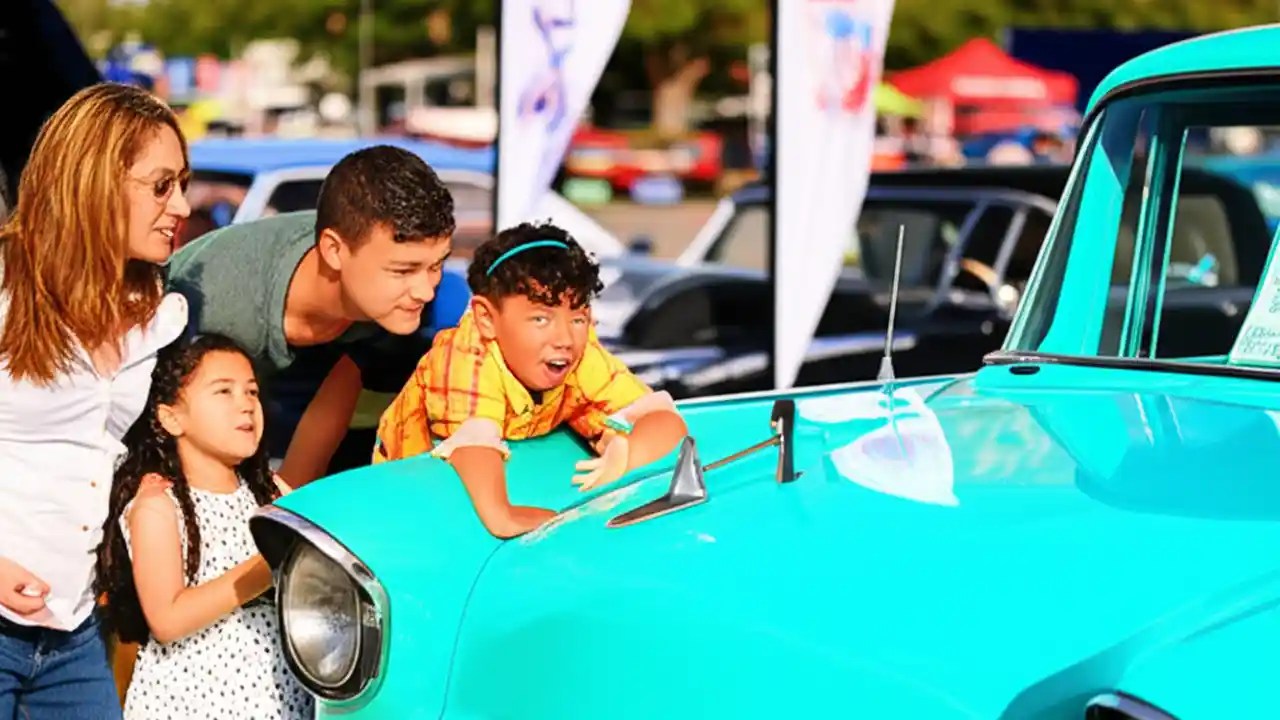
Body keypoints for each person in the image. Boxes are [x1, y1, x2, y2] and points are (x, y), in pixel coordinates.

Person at [0, 82, 191, 718]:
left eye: (181, 184)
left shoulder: (155, 313)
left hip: (76, 628)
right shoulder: (6, 286)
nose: (182, 205)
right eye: (161, 185)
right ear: (95, 180)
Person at [165, 144, 456, 487]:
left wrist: (287, 512)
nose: (425, 290)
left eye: (436, 265)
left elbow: (347, 378)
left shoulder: (387, 291)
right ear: (334, 250)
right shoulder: (215, 305)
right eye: (403, 271)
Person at [373, 222, 688, 538]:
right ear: (486, 319)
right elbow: (474, 442)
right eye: (541, 318)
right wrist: (502, 515)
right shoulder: (467, 354)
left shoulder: (581, 354)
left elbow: (664, 419)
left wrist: (628, 453)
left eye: (578, 318)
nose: (564, 337)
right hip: (402, 495)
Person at [95, 334, 312, 719]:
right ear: (171, 418)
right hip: (190, 705)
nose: (245, 404)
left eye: (251, 391)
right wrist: (267, 567)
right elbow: (167, 619)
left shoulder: (272, 489)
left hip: (277, 702)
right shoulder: (158, 505)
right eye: (223, 392)